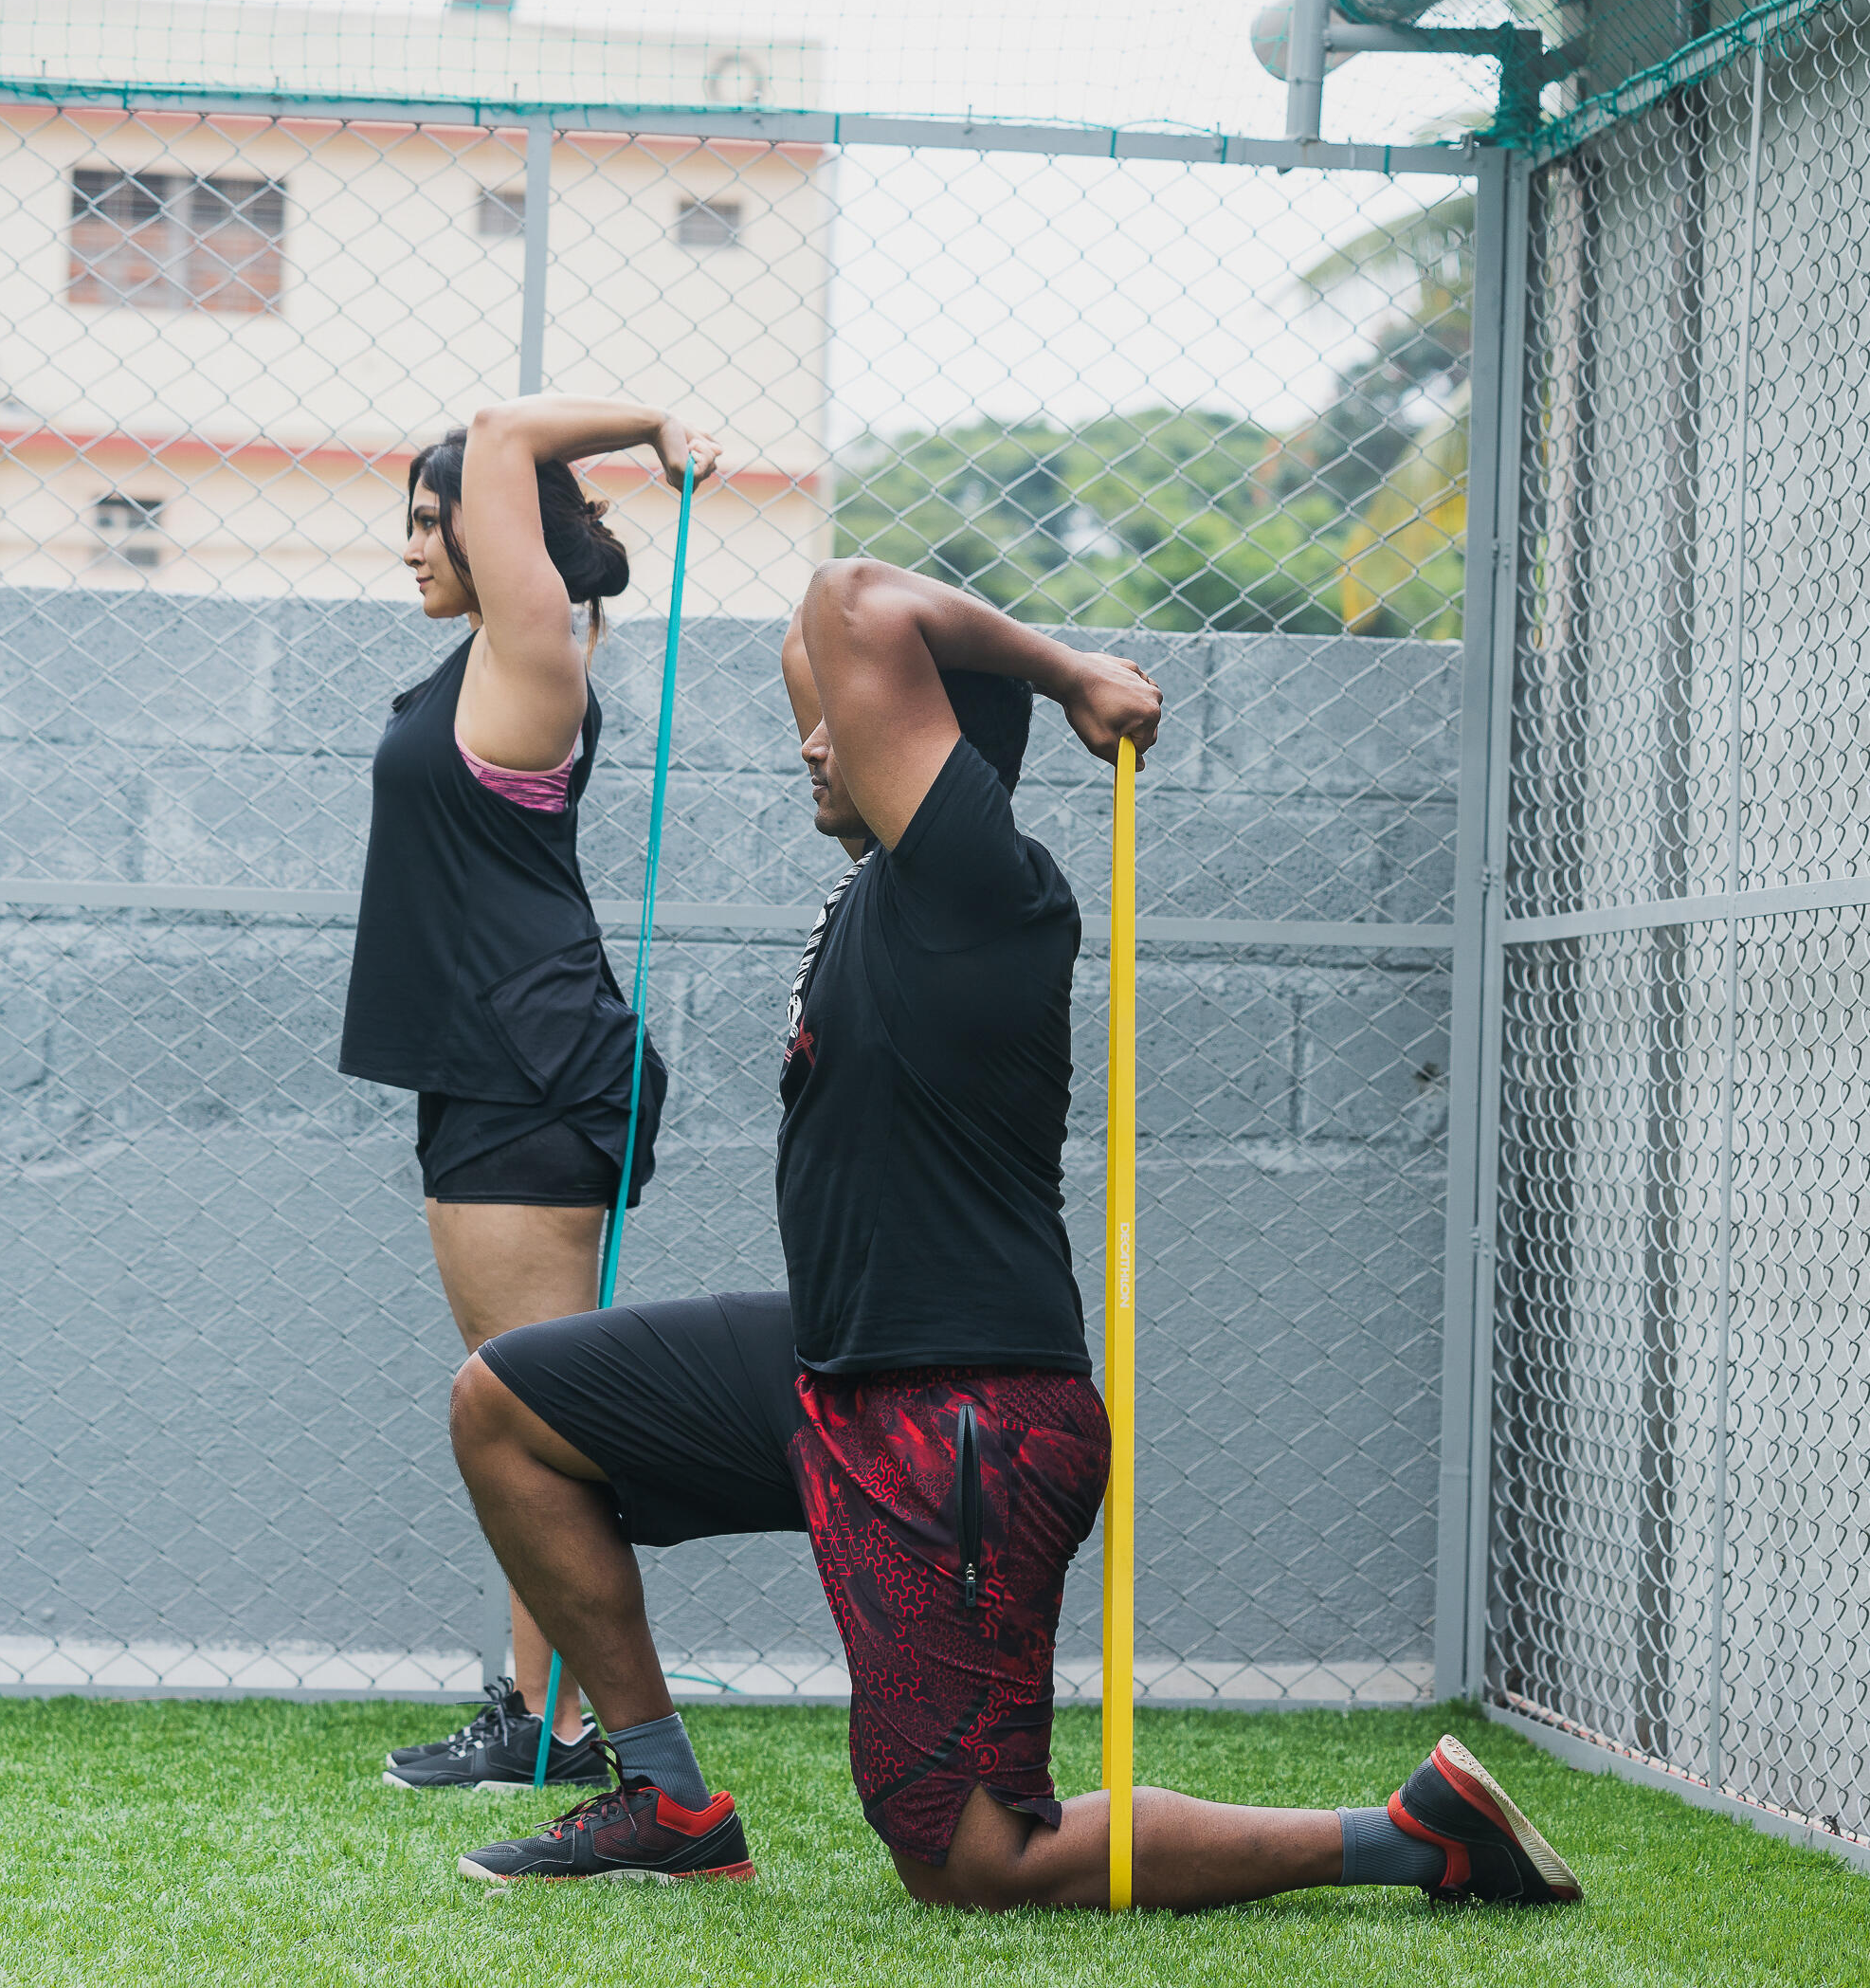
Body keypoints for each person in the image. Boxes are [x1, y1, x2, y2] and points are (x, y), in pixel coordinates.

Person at [438, 557, 1586, 1908]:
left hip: (963, 1418)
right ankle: (668, 1801)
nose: (810, 741)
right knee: (509, 1408)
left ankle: (1412, 1833)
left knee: (972, 1861)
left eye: (839, 724)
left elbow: (853, 600)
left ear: (932, 754)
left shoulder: (978, 885)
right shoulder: (879, 884)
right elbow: (828, 637)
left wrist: (1070, 673)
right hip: (836, 1376)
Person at [343, 393, 714, 1794]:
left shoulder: (531, 657)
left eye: (434, 523)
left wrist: (653, 423)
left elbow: (502, 430)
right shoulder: (486, 671)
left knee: (540, 1419)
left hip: (533, 1073)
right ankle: (539, 1718)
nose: (411, 549)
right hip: (488, 1070)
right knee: (527, 1414)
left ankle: (594, 1741)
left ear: (509, 548)